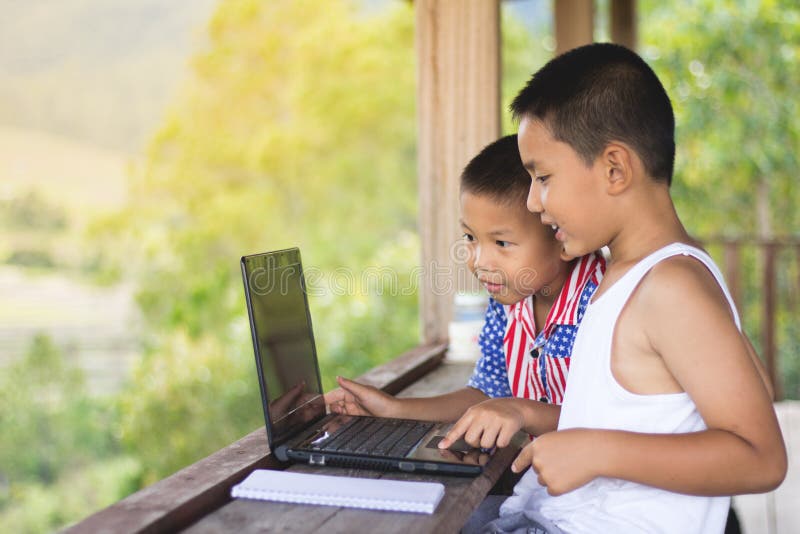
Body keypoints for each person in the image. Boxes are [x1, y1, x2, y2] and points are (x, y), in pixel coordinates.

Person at [472, 43, 786, 534]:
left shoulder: (671, 286)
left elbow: (761, 458)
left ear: (615, 169)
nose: (533, 201)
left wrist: (596, 449)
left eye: (543, 177)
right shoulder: (626, 273)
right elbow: (752, 385)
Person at [324, 134, 605, 450]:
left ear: (561, 233)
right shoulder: (510, 302)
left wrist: (522, 411)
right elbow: (486, 394)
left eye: (501, 243)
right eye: (471, 237)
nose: (479, 261)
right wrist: (394, 409)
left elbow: (608, 418)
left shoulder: (601, 301)